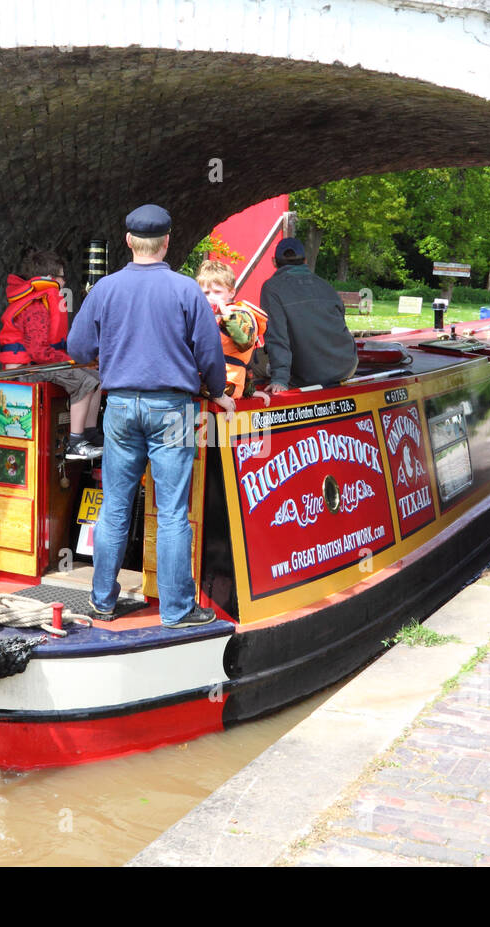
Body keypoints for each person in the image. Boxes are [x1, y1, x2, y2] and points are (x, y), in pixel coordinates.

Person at [68, 204, 236, 628]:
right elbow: (210, 354)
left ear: (129, 242)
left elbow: (78, 349)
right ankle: (177, 610)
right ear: (166, 242)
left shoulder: (104, 289)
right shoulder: (185, 291)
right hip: (174, 409)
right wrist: (219, 394)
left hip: (121, 406)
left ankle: (103, 601)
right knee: (173, 511)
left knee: (115, 506)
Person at [0, 248, 103, 458]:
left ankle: (90, 433)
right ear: (50, 278)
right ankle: (75, 442)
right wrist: (69, 361)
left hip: (38, 364)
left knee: (98, 378)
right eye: (62, 277)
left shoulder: (40, 300)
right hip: (27, 370)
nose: (64, 283)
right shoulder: (36, 305)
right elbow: (39, 352)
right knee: (84, 382)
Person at [259, 237, 358, 394]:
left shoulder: (271, 287)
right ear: (305, 261)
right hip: (347, 366)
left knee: (254, 359)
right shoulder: (326, 285)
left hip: (311, 375)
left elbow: (276, 337)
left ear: (274, 262)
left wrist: (280, 379)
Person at [194, 260, 271, 402]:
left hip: (225, 385)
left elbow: (244, 341)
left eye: (217, 292)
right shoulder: (204, 316)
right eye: (205, 292)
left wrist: (227, 315)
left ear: (231, 292)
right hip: (209, 383)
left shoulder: (238, 314)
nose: (211, 297)